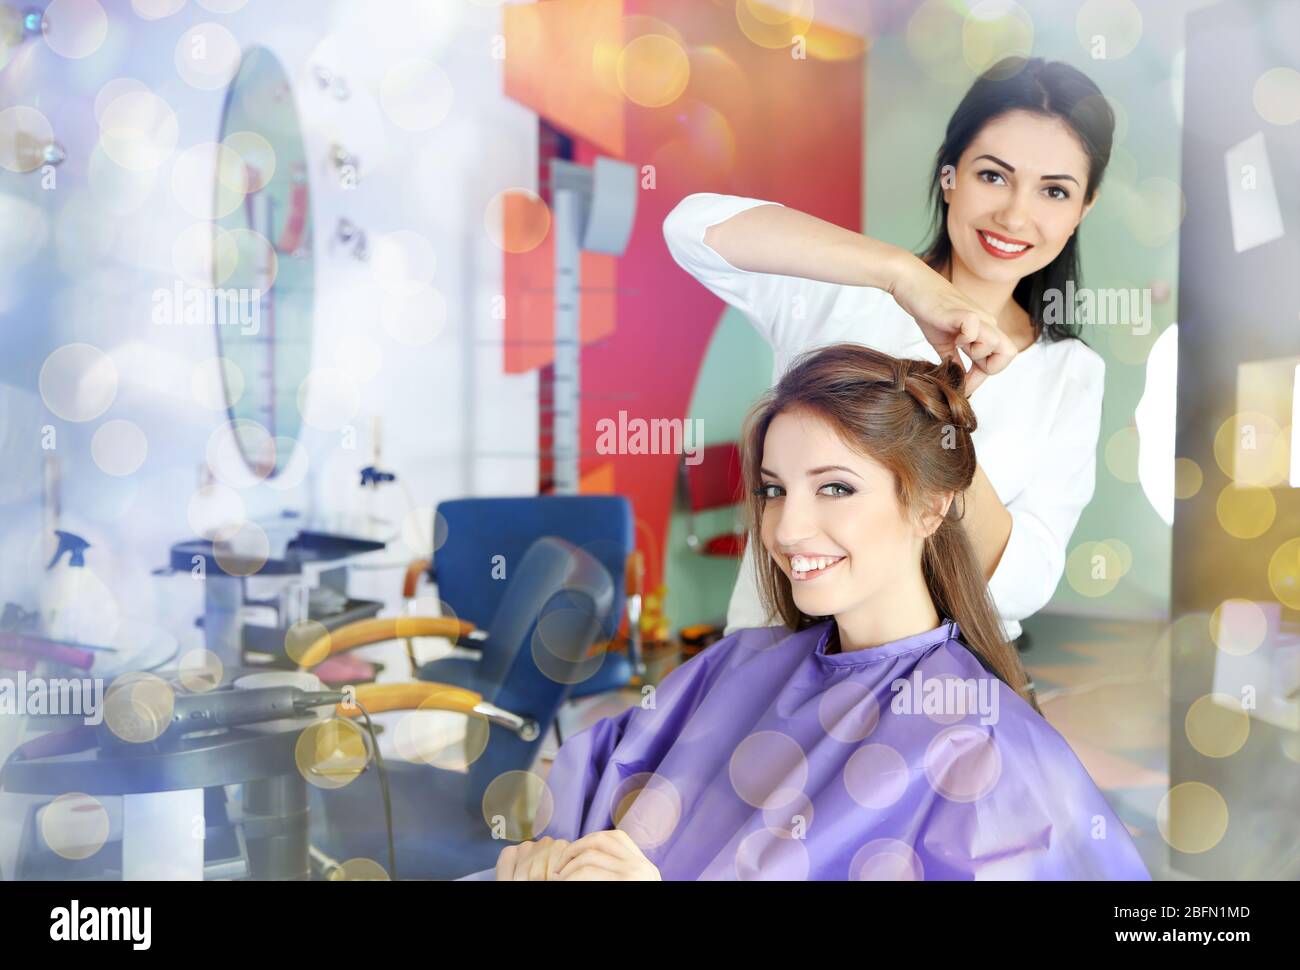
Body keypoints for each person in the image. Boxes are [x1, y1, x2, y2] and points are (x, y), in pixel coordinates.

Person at [477, 344, 1149, 880]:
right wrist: (547, 857)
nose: (788, 529)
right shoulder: (740, 662)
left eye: (835, 487)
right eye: (773, 490)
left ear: (930, 505)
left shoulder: (983, 745)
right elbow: (589, 779)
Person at [661, 55, 1114, 649]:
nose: (1015, 214)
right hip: (778, 664)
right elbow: (689, 228)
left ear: (1084, 208)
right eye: (993, 176)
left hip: (948, 686)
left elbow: (1025, 583)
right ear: (949, 175)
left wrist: (943, 425)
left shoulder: (1071, 374)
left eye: (1054, 190)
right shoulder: (845, 293)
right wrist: (899, 275)